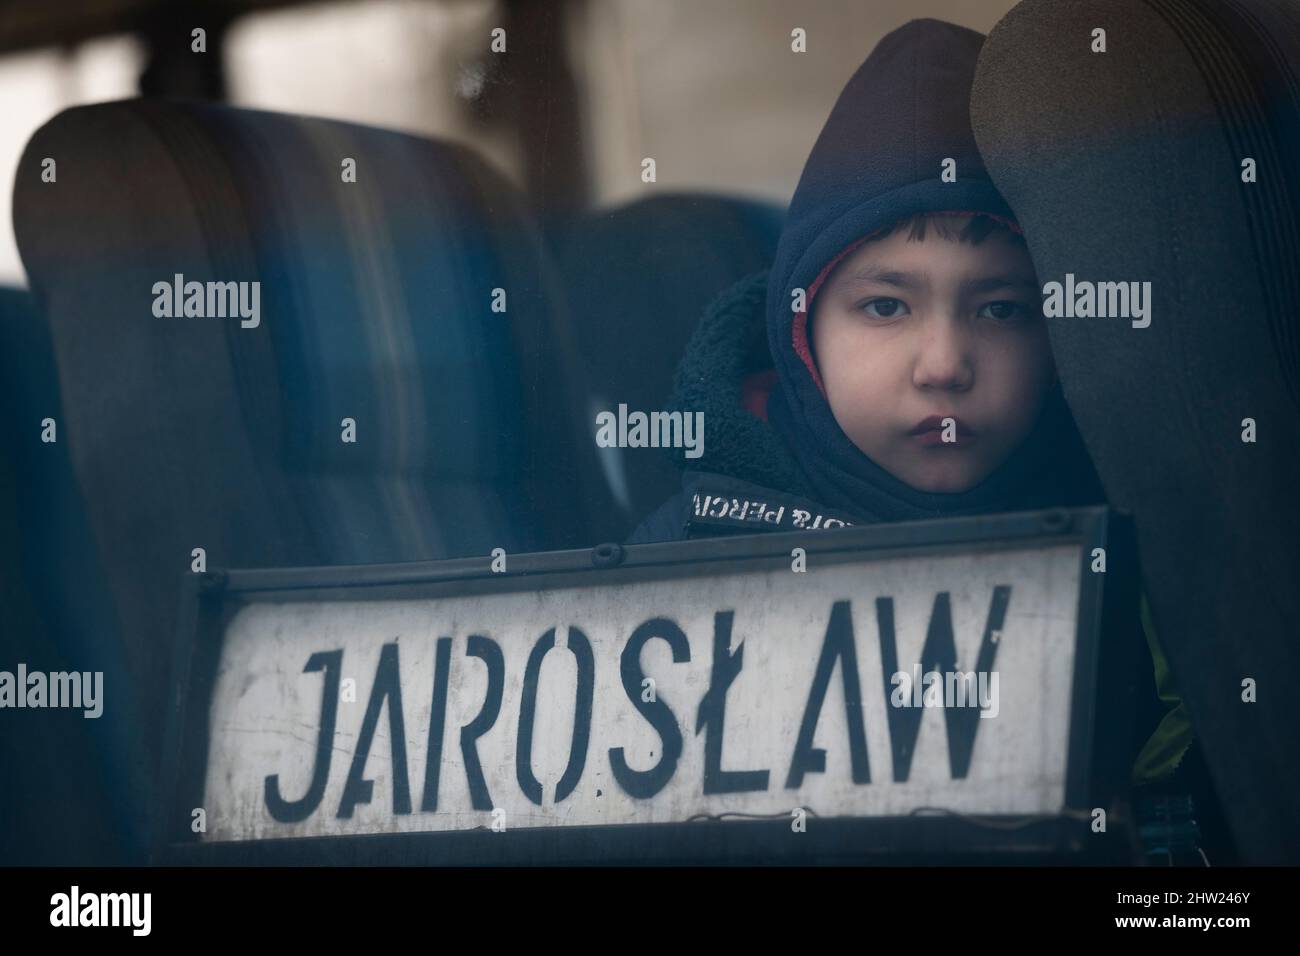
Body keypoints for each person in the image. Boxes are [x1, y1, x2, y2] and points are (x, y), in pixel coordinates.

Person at [627, 18, 1220, 862]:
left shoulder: (1134, 549)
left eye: (1003, 309)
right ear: (801, 337)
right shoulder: (691, 557)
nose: (943, 364)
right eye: (885, 306)